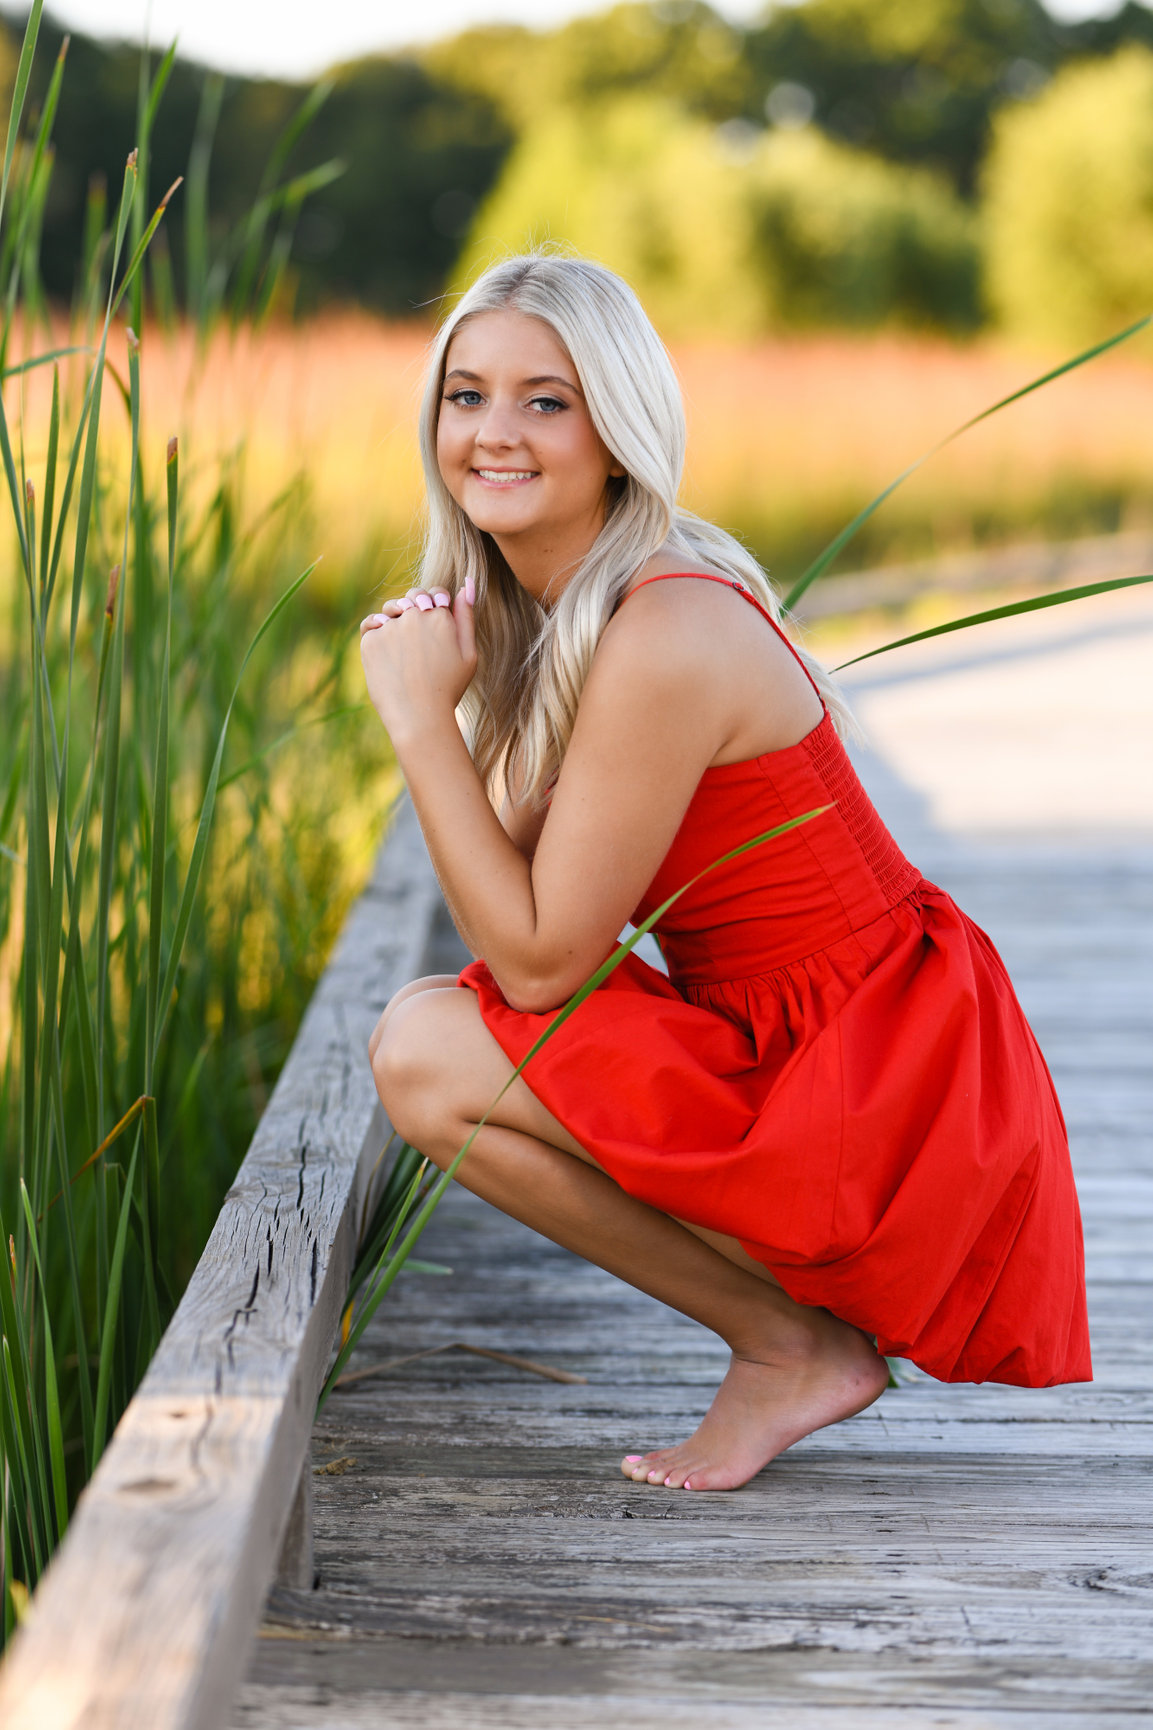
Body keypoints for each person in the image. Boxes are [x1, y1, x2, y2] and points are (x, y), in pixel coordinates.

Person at [359, 253, 1091, 1493]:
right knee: (428, 1025)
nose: (494, 432)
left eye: (547, 400)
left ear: (618, 431)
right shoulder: (578, 610)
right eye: (465, 394)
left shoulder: (666, 627)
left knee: (429, 1048)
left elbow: (535, 966)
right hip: (794, 1046)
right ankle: (792, 1340)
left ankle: (786, 1342)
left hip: (877, 1091)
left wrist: (423, 724)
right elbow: (521, 919)